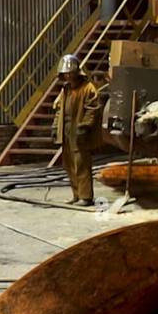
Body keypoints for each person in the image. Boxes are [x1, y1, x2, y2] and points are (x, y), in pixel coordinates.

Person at [52, 54, 101, 206]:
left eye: (69, 72)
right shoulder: (65, 89)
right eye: (65, 73)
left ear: (76, 72)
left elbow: (92, 109)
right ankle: (76, 195)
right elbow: (59, 110)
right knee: (69, 164)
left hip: (79, 131)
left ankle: (85, 197)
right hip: (67, 130)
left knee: (81, 164)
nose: (67, 75)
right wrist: (55, 126)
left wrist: (85, 126)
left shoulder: (88, 88)